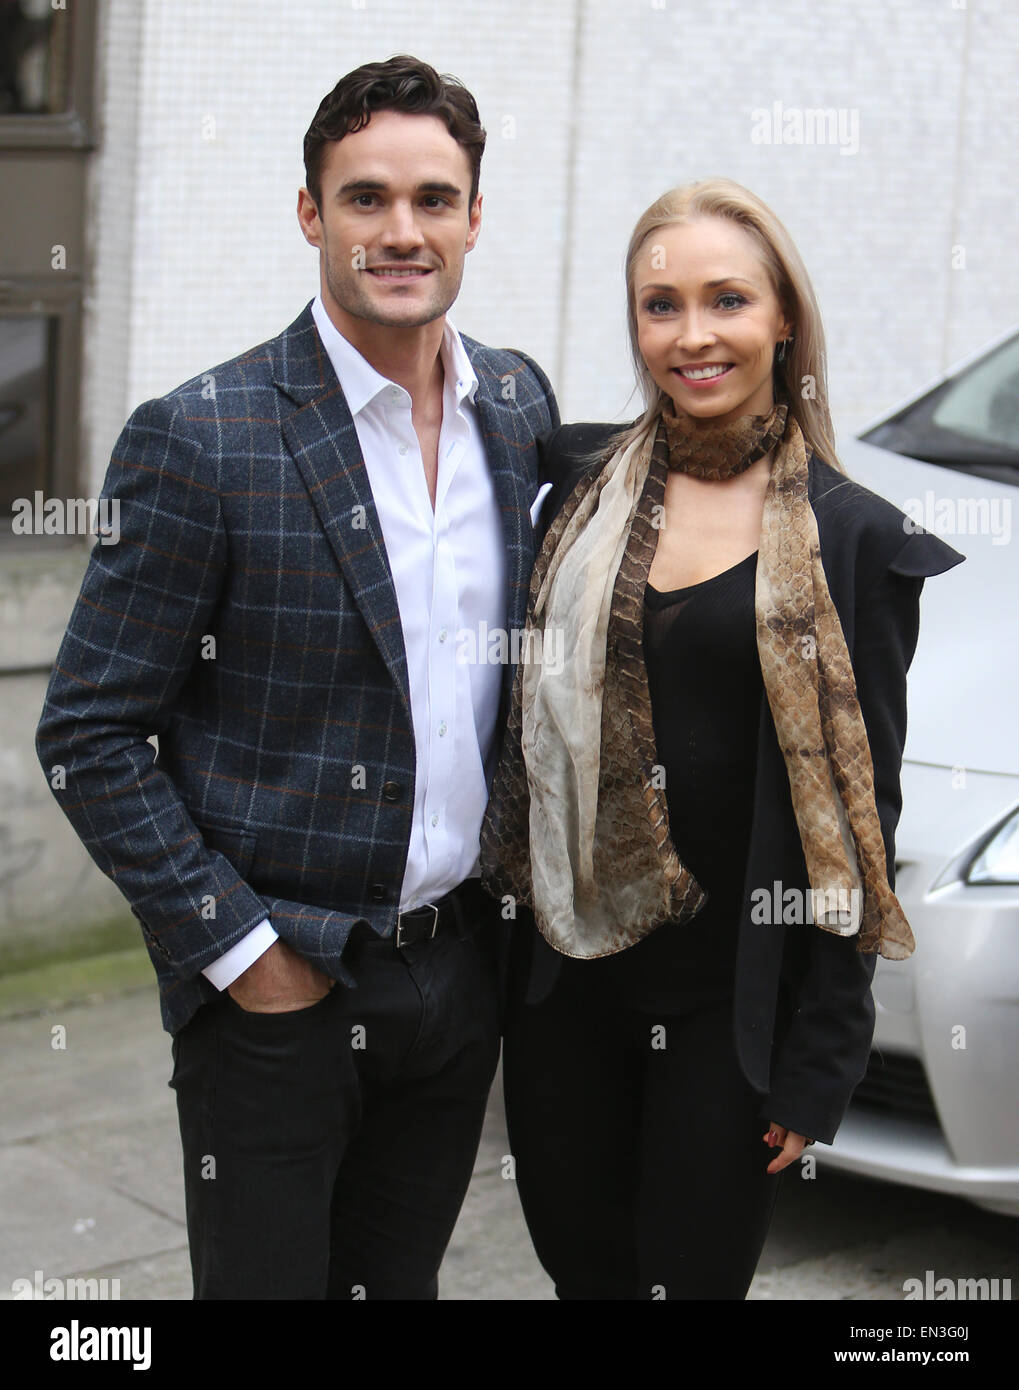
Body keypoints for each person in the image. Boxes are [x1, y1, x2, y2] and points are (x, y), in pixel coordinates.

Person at [36, 54, 558, 1300]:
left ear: (475, 217)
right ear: (311, 213)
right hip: (280, 988)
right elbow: (88, 733)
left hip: (452, 972)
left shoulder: (518, 406)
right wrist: (242, 953)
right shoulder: (203, 434)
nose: (401, 230)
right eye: (365, 197)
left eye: (433, 198)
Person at [480, 177, 963, 1300]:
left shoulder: (855, 544)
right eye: (660, 306)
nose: (691, 335)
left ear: (781, 317)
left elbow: (860, 818)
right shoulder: (577, 490)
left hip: (723, 1015)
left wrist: (819, 1058)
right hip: (566, 985)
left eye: (726, 300)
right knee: (581, 1273)